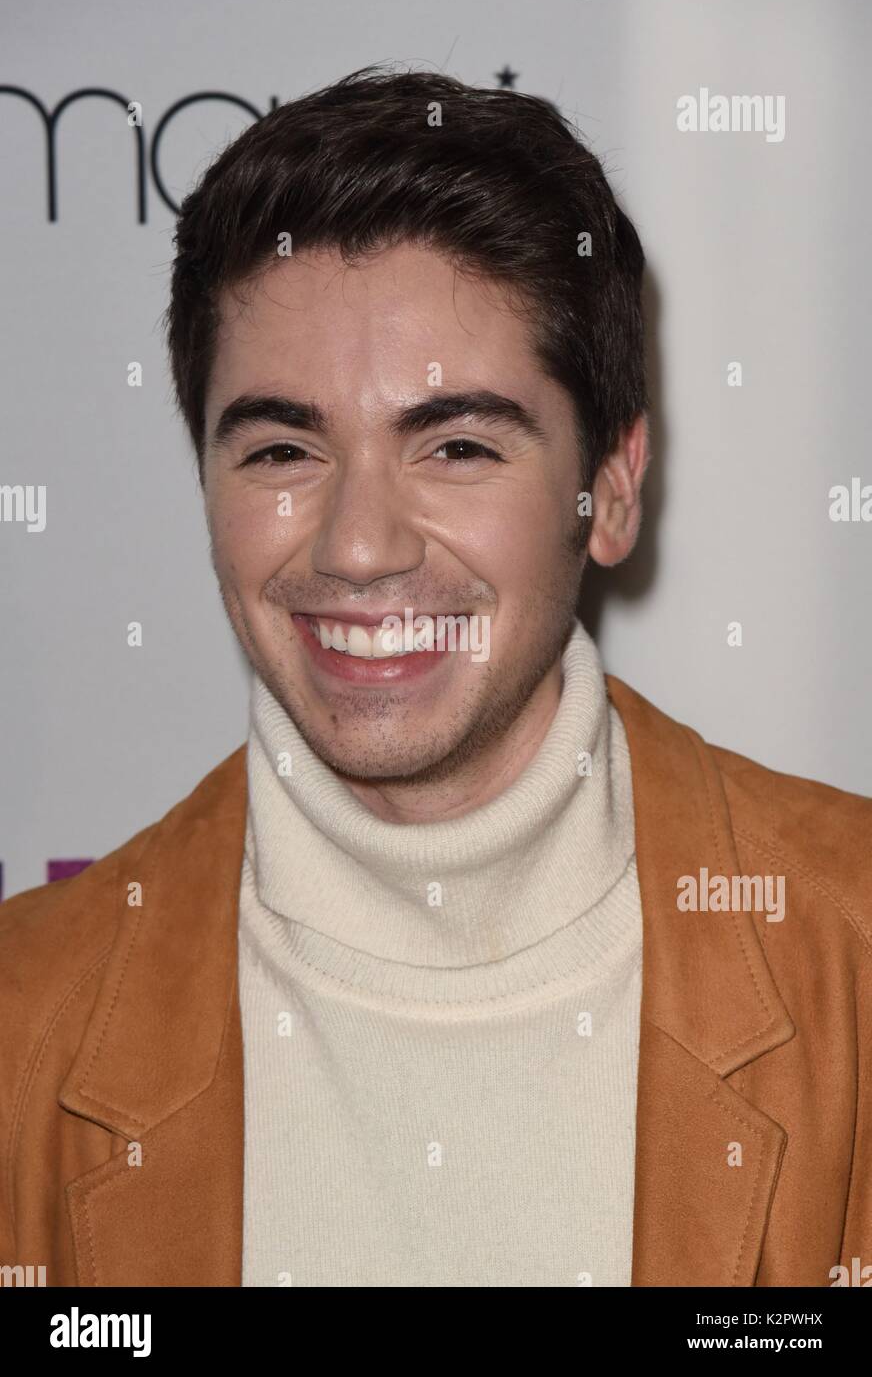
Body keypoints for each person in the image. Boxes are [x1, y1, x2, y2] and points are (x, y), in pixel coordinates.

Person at [1, 66, 869, 1289]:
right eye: (283, 447)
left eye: (456, 444)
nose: (359, 545)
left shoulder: (854, 956)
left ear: (610, 488)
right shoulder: (21, 1017)